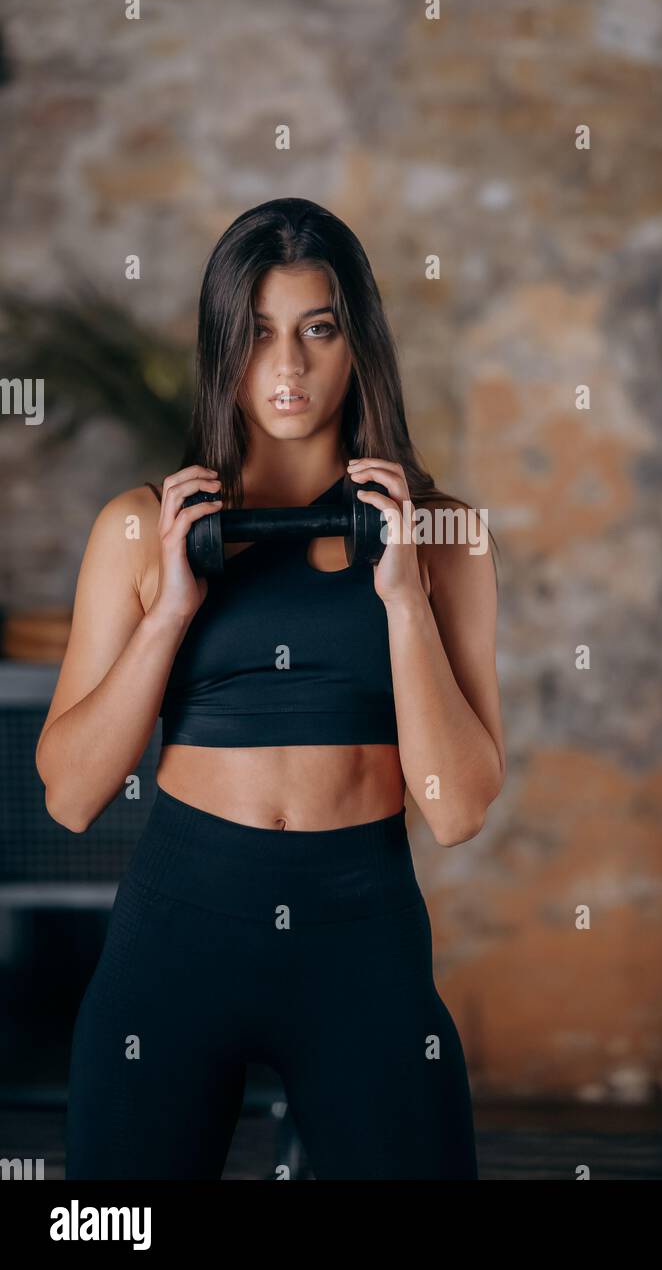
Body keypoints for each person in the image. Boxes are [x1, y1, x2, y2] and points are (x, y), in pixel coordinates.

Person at [35, 197, 505, 1181]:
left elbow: (456, 809)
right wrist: (169, 610)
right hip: (179, 929)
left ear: (356, 343)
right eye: (256, 335)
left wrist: (404, 598)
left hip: (359, 928)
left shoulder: (444, 533)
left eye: (315, 330)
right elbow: (72, 794)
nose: (286, 367)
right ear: (223, 349)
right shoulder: (139, 528)